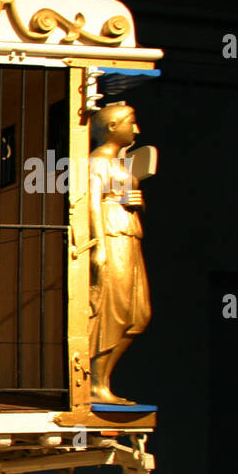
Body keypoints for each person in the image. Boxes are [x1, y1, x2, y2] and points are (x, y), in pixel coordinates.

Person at [87, 101, 150, 405]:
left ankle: (101, 381)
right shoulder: (97, 163)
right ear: (112, 127)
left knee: (139, 315)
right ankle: (96, 383)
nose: (135, 129)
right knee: (113, 310)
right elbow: (91, 204)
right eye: (131, 122)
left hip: (129, 234)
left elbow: (123, 199)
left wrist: (137, 203)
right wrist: (98, 244)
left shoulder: (119, 165)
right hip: (112, 237)